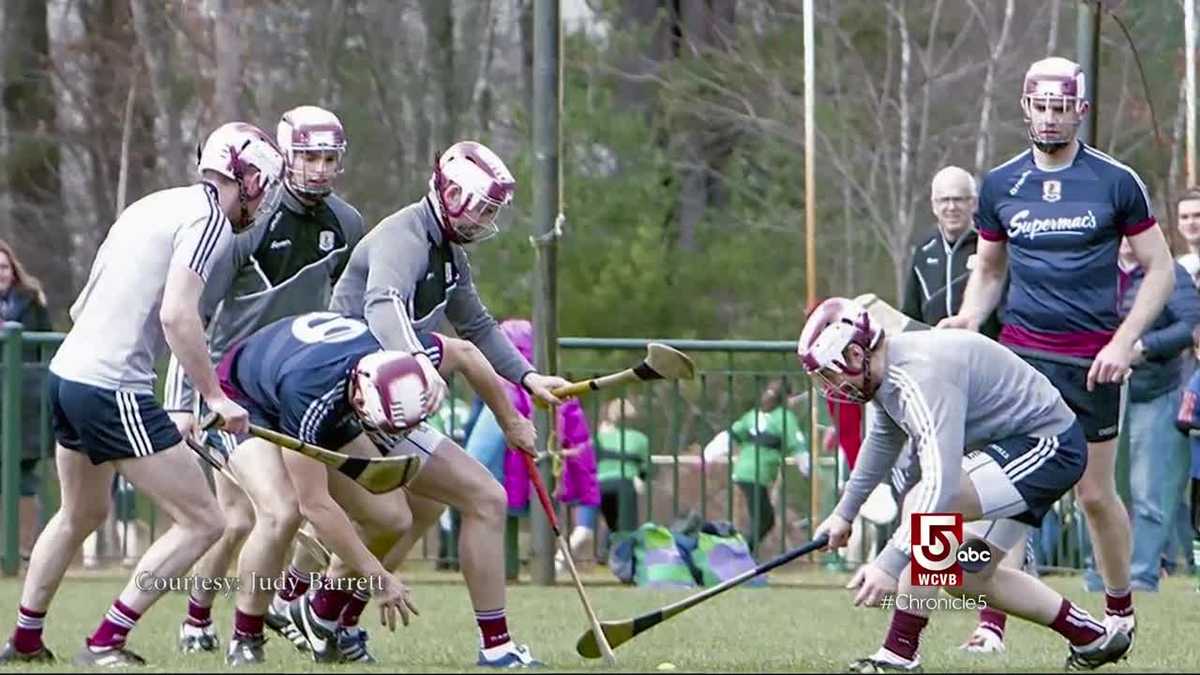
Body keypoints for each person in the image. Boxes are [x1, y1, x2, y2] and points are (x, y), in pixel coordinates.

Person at [0, 122, 285, 666]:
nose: (263, 198)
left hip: (70, 375)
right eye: (263, 184)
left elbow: (82, 307)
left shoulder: (151, 205)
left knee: (79, 514)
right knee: (206, 521)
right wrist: (214, 397)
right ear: (247, 180)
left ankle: (26, 640)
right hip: (111, 388)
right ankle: (107, 640)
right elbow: (178, 314)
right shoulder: (209, 222)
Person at [285, 140, 564, 668]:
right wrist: (416, 363)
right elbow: (383, 303)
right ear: (451, 193)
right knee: (484, 499)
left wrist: (528, 379)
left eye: (491, 210)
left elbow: (478, 325)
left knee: (428, 507)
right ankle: (494, 648)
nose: (485, 219)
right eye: (480, 205)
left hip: (380, 403)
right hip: (343, 404)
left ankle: (328, 615)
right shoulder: (404, 236)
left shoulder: (448, 252)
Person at [939, 56, 1175, 651]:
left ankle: (1118, 610)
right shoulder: (1000, 184)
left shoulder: (1115, 180)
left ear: (1081, 110)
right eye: (1039, 106)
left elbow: (1160, 269)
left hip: (1092, 363)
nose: (1049, 118)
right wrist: (970, 317)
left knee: (1094, 495)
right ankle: (989, 625)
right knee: (1008, 489)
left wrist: (1124, 342)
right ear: (1025, 107)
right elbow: (990, 270)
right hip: (1020, 360)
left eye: (1060, 107)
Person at [802, 298, 1131, 672]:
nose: (830, 386)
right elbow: (881, 442)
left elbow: (940, 484)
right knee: (965, 575)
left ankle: (899, 654)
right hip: (1013, 453)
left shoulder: (919, 374)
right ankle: (1093, 638)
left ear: (856, 353)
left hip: (1047, 447)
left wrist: (890, 562)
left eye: (829, 373)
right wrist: (843, 514)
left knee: (923, 506)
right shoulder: (886, 377)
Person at [161, 105, 366, 660]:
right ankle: (228, 630)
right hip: (233, 390)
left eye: (329, 158)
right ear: (285, 156)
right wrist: (188, 403)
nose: (320, 169)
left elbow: (345, 306)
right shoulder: (252, 218)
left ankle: (224, 615)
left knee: (245, 521)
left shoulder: (345, 223)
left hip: (294, 388)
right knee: (266, 515)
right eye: (308, 157)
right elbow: (194, 316)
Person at [1098, 238, 1199, 592]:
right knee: (1103, 490)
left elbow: (1189, 325)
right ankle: (1101, 576)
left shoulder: (1169, 272)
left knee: (1149, 494)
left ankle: (1141, 576)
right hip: (1103, 395)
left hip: (1153, 394)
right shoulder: (1097, 268)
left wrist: (1144, 347)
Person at [491, 319, 599, 573]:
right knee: (570, 490)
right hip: (555, 467)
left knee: (503, 500)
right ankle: (581, 530)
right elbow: (581, 440)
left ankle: (512, 563)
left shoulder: (500, 391)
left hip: (519, 470)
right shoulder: (558, 392)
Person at [900, 166, 1001, 338]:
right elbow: (911, 312)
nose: (951, 207)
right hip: (935, 352)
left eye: (959, 199)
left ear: (974, 203)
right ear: (934, 205)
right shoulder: (924, 249)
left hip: (983, 351)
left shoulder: (991, 244)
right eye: (944, 200)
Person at [0, 241, 53, 559]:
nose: (1, 275)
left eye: (4, 267)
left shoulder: (31, 300)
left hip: (26, 404)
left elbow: (43, 349)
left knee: (24, 476)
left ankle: (23, 549)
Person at [717, 380, 807, 556]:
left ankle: (741, 551)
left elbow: (729, 436)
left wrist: (707, 456)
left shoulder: (753, 415)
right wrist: (807, 469)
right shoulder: (784, 417)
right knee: (764, 520)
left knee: (762, 518)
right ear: (787, 397)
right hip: (757, 474)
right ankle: (737, 554)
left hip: (742, 471)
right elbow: (797, 445)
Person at [594, 398, 651, 552]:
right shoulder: (641, 439)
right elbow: (644, 467)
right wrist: (641, 478)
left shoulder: (600, 437)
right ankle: (624, 556)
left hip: (601, 483)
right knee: (627, 524)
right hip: (625, 483)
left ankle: (603, 552)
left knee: (610, 520)